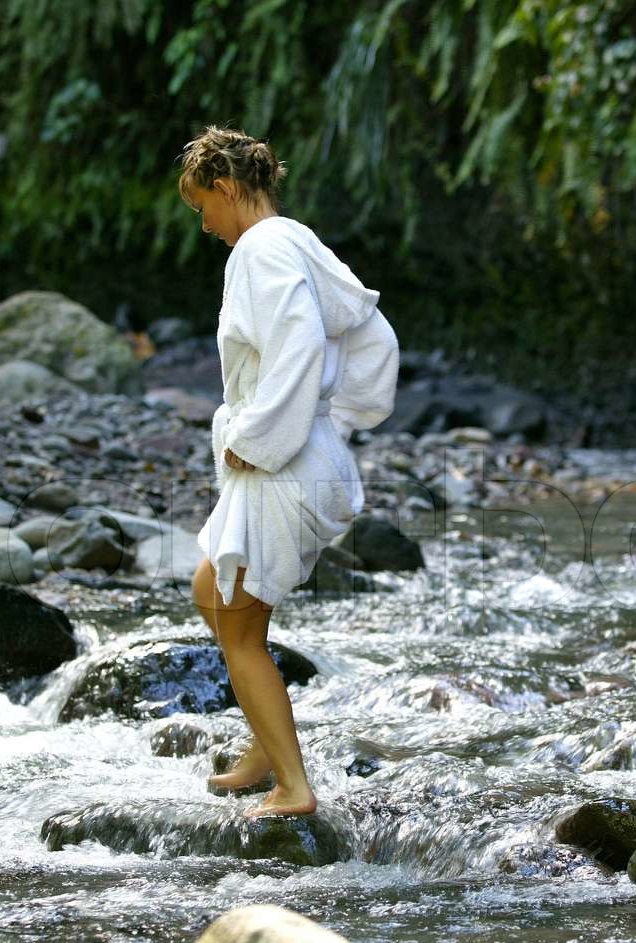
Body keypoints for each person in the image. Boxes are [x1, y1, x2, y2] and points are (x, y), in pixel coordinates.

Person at [176, 125, 400, 819]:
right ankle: (265, 747)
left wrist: (260, 436)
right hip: (307, 450)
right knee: (211, 586)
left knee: (240, 631)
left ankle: (293, 786)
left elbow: (300, 340)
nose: (204, 224)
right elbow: (373, 332)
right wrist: (347, 414)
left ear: (226, 188)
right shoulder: (298, 239)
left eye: (201, 207)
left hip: (283, 460)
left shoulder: (261, 248)